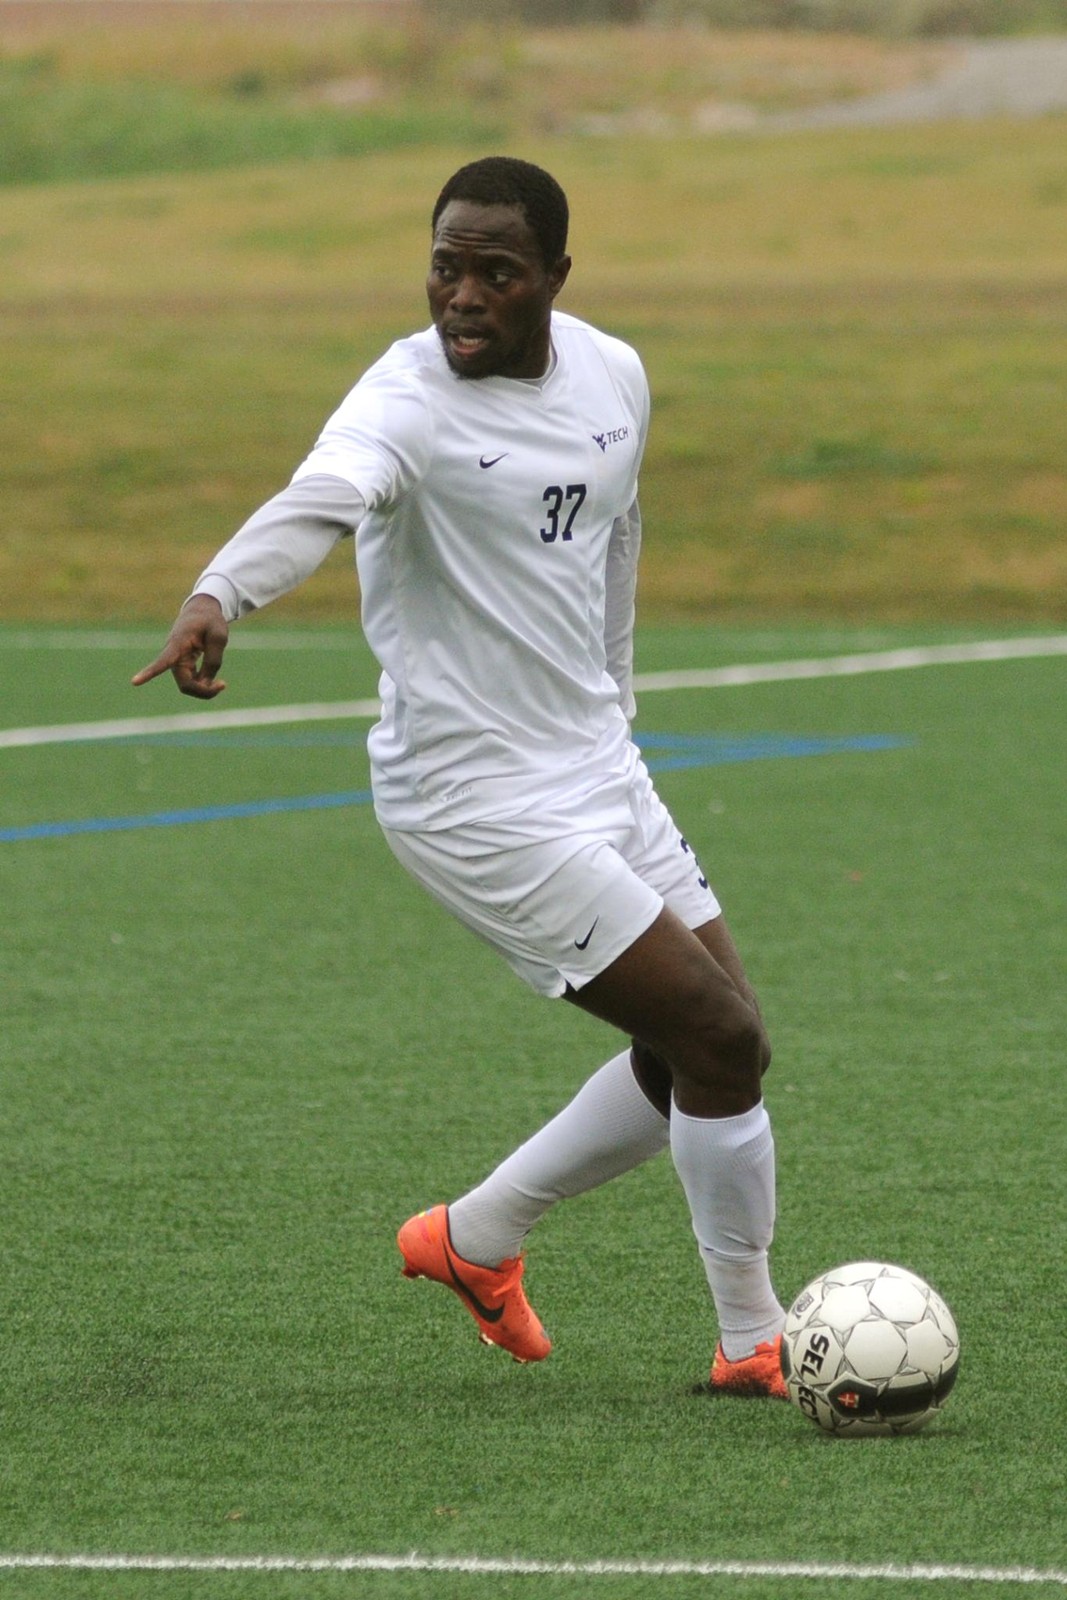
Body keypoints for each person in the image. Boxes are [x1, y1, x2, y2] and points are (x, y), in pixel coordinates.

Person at [133, 156, 787, 1397]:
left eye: (497, 272)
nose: (464, 297)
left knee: (712, 1055)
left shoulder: (613, 374)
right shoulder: (404, 399)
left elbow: (613, 536)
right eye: (446, 267)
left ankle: (474, 1236)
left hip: (593, 758)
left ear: (554, 276)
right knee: (716, 1031)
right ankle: (753, 1338)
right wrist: (221, 591)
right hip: (470, 797)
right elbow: (321, 497)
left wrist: (614, 697)